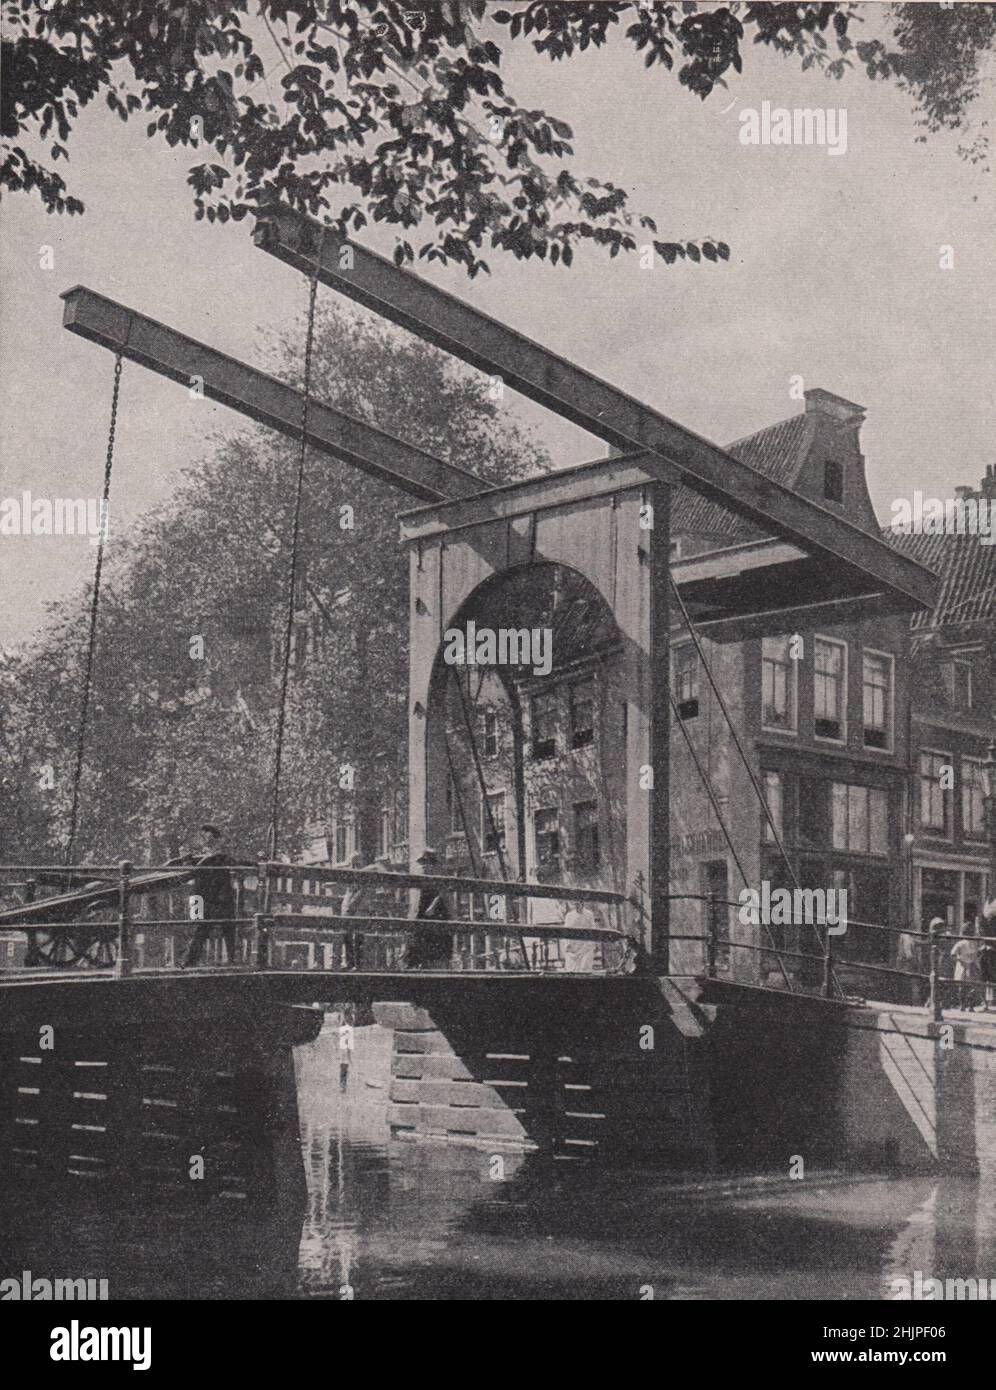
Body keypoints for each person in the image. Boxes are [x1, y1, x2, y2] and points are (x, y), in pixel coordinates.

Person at [171, 824, 238, 967]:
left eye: (209, 837)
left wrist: (187, 860)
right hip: (205, 898)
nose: (206, 840)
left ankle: (192, 961)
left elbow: (190, 874)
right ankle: (190, 961)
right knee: (201, 928)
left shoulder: (217, 856)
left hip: (213, 898)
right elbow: (190, 873)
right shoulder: (207, 855)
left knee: (212, 927)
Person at [408, 847, 450, 970]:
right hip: (423, 911)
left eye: (425, 862)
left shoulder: (438, 875)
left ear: (432, 863)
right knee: (420, 941)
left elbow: (443, 892)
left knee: (435, 943)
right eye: (422, 863)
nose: (423, 866)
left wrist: (433, 906)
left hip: (435, 911)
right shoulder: (422, 877)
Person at [950, 920, 979, 1012]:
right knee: (972, 986)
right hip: (972, 965)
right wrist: (975, 959)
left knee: (962, 987)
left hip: (962, 965)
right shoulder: (975, 943)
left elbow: (952, 954)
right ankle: (970, 1006)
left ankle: (962, 1005)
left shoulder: (960, 943)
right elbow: (979, 953)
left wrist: (959, 960)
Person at [563, 900, 598, 973]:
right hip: (574, 945)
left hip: (585, 944)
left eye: (578, 904)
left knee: (585, 966)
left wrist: (593, 943)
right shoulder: (569, 916)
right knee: (572, 969)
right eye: (575, 905)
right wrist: (567, 944)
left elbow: (592, 928)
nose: (576, 907)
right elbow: (566, 931)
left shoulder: (589, 914)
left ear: (582, 904)